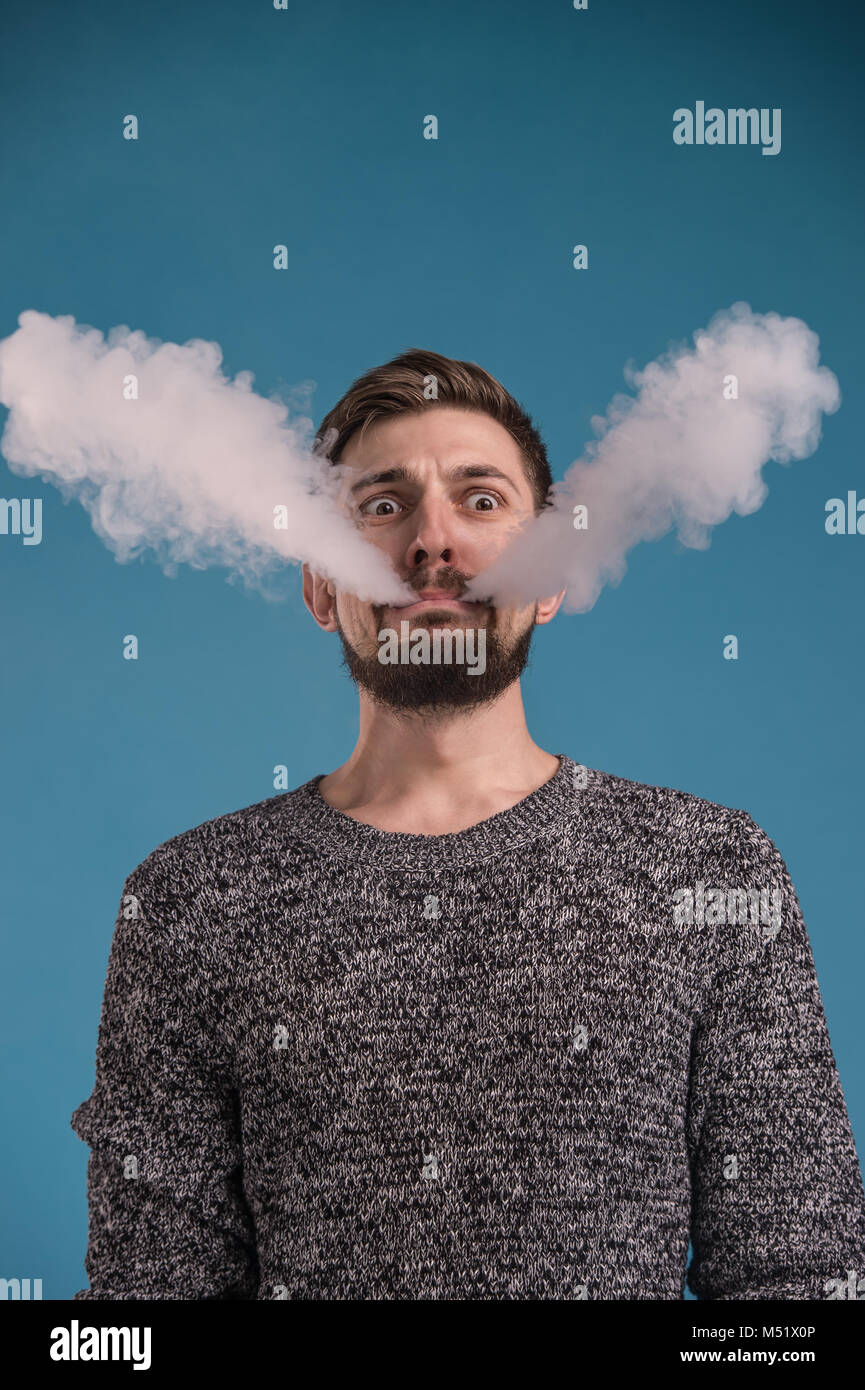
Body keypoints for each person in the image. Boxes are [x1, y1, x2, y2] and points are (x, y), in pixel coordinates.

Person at [71, 349, 865, 1299]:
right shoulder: (191, 899)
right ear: (321, 586)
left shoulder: (708, 869)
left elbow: (802, 1289)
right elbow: (144, 1318)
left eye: (481, 501)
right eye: (380, 506)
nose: (431, 543)